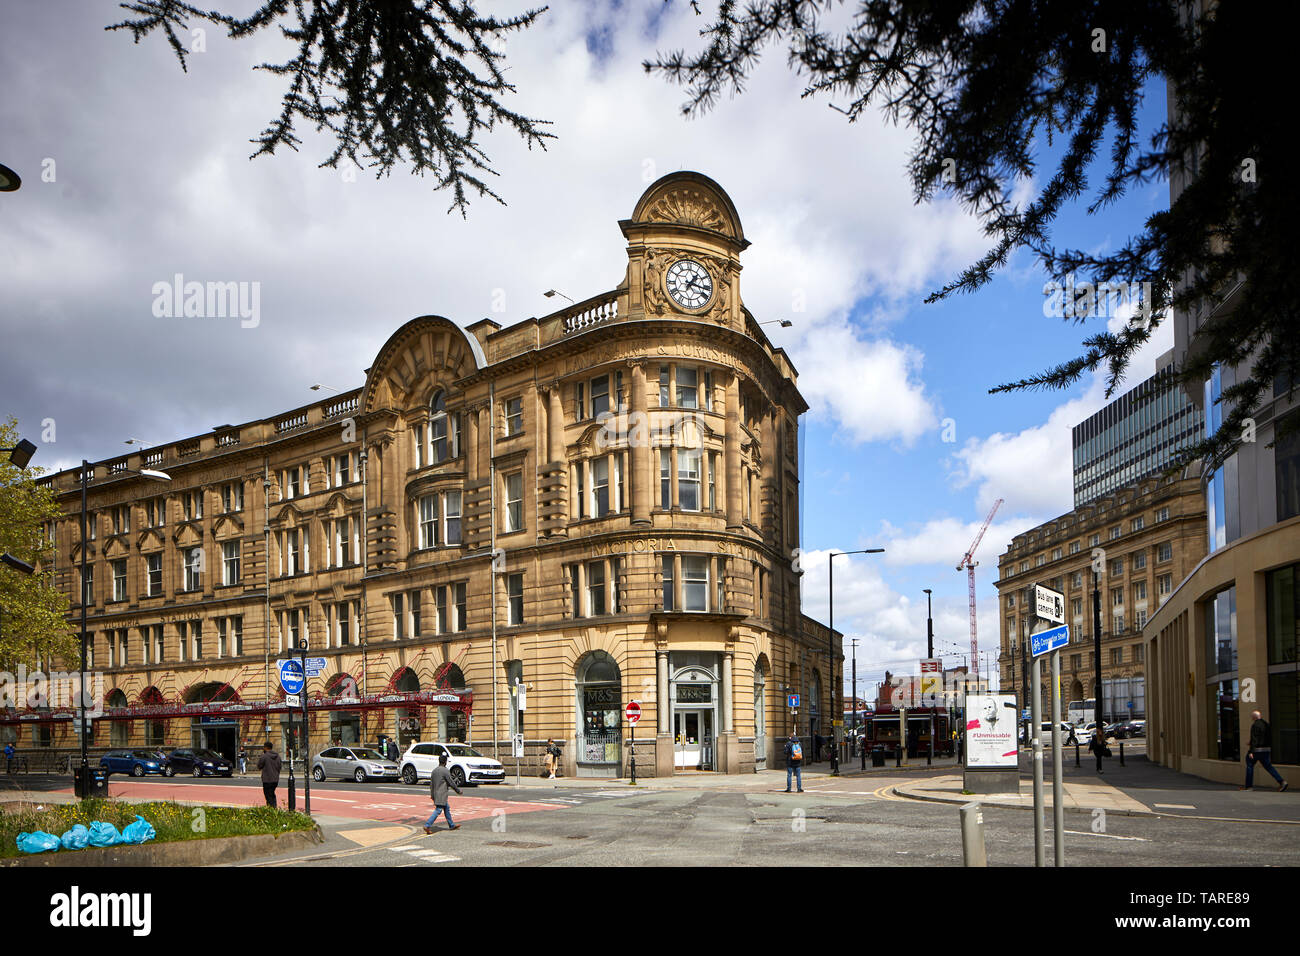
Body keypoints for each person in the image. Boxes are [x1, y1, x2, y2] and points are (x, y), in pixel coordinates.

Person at [1242, 710, 1289, 791]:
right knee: (1268, 766)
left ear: (1254, 717)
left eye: (1252, 716)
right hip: (1266, 749)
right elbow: (1264, 737)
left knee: (1249, 765)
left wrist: (1251, 751)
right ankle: (1282, 782)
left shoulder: (1255, 725)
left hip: (1257, 750)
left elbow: (1255, 739)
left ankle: (1248, 786)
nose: (1251, 718)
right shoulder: (1266, 724)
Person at [424, 752, 462, 832]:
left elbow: (431, 784)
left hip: (435, 794)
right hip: (442, 794)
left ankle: (451, 825)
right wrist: (458, 791)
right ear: (445, 762)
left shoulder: (434, 771)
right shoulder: (445, 771)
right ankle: (427, 825)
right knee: (438, 810)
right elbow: (451, 782)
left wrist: (432, 795)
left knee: (446, 808)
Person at [257, 741, 282, 808]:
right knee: (272, 794)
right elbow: (280, 767)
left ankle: (272, 809)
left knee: (268, 795)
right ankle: (273, 808)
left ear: (265, 747)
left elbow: (259, 766)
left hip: (267, 779)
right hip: (275, 779)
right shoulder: (277, 756)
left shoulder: (264, 756)